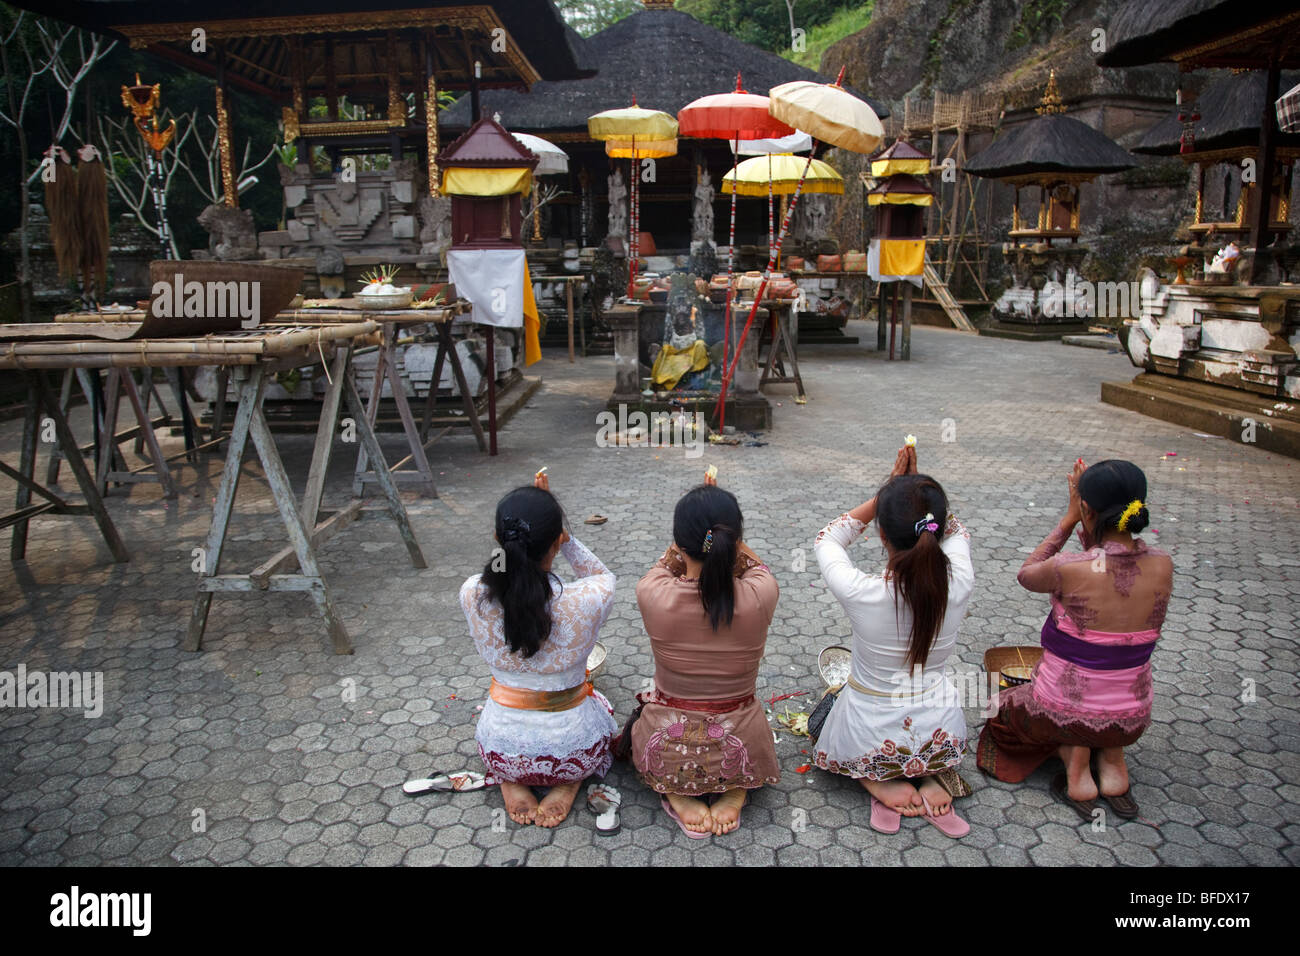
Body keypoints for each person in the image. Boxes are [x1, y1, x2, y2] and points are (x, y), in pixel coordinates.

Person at [977, 459, 1171, 823]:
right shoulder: (1163, 563)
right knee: (1103, 690)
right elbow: (1109, 562)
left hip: (1063, 710)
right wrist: (1088, 515)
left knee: (999, 709)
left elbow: (1026, 574)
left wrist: (1069, 520)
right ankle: (1113, 767)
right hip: (1133, 718)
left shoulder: (1070, 567)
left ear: (1086, 510)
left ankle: (1076, 770)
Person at [812, 445, 975, 838]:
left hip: (866, 734)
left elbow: (826, 539)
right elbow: (955, 532)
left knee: (824, 714)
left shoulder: (862, 591)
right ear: (933, 528)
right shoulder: (960, 582)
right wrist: (920, 498)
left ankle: (876, 774)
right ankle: (934, 769)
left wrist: (885, 495)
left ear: (881, 532)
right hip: (942, 730)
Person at [460, 471, 617, 827]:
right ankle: (569, 779)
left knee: (508, 724)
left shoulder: (472, 593)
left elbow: (508, 574)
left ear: (497, 538)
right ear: (557, 542)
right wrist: (568, 537)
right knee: (601, 706)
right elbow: (603, 575)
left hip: (499, 748)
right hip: (573, 751)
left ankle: (511, 779)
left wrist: (541, 530)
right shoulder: (587, 599)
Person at [630, 470, 780, 837]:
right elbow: (754, 565)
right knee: (740, 735)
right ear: (735, 539)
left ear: (679, 544)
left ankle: (677, 791)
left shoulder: (652, 593)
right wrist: (724, 532)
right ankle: (734, 786)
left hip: (665, 745)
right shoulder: (762, 593)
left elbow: (667, 562)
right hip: (741, 741)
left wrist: (696, 535)